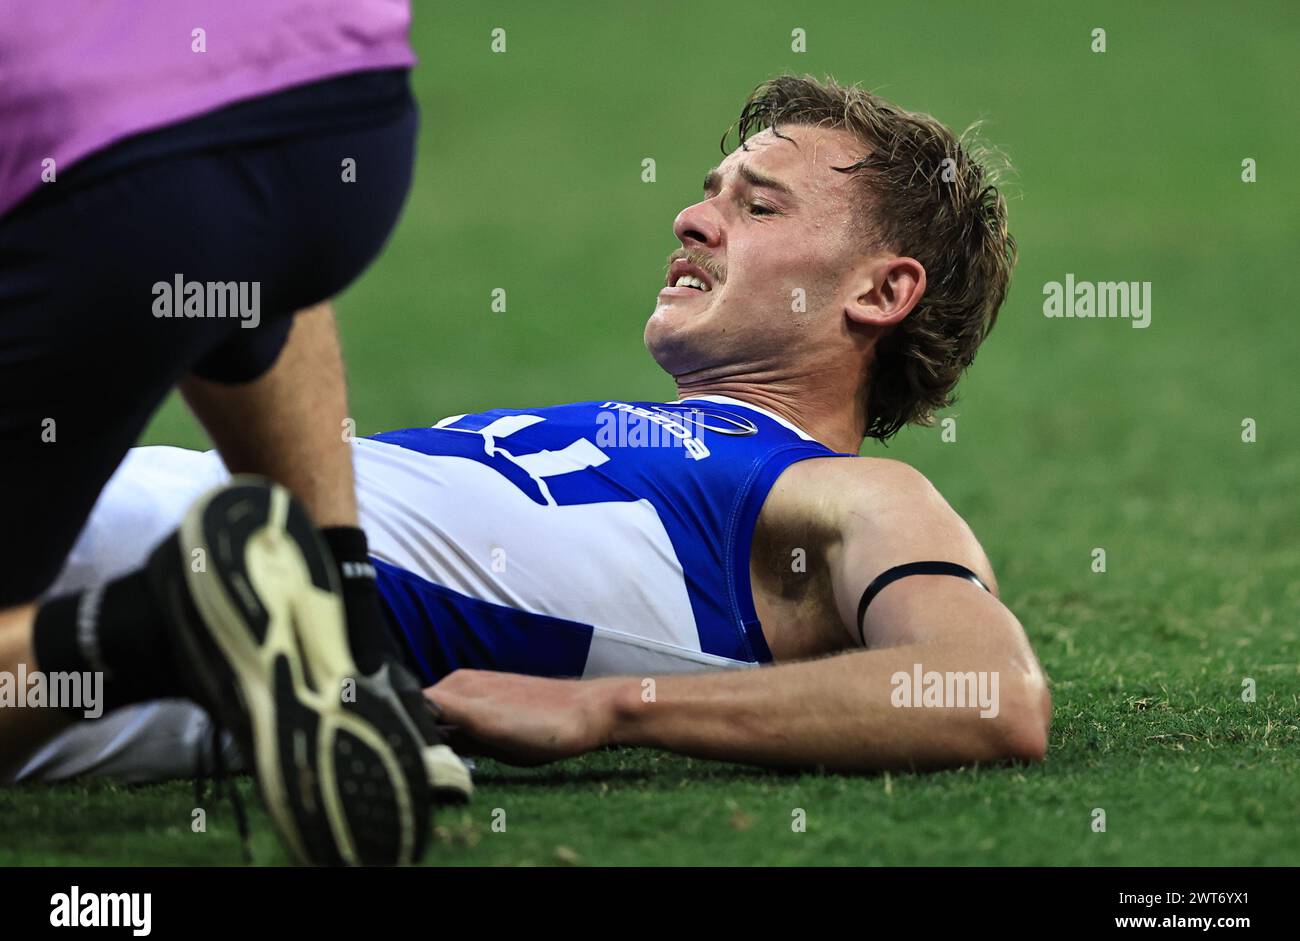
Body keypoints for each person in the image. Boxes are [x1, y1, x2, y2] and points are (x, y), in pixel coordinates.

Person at [3, 75, 1050, 785]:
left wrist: (613, 710)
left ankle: (166, 623)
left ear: (881, 290)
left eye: (759, 207)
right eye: (708, 193)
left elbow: (992, 693)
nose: (692, 219)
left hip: (155, 601)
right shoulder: (631, 427)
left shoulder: (845, 492)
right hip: (111, 518)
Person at [0, 1, 461, 865]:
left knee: (181, 198)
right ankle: (356, 646)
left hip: (102, 165)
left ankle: (168, 627)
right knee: (228, 241)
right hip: (342, 107)